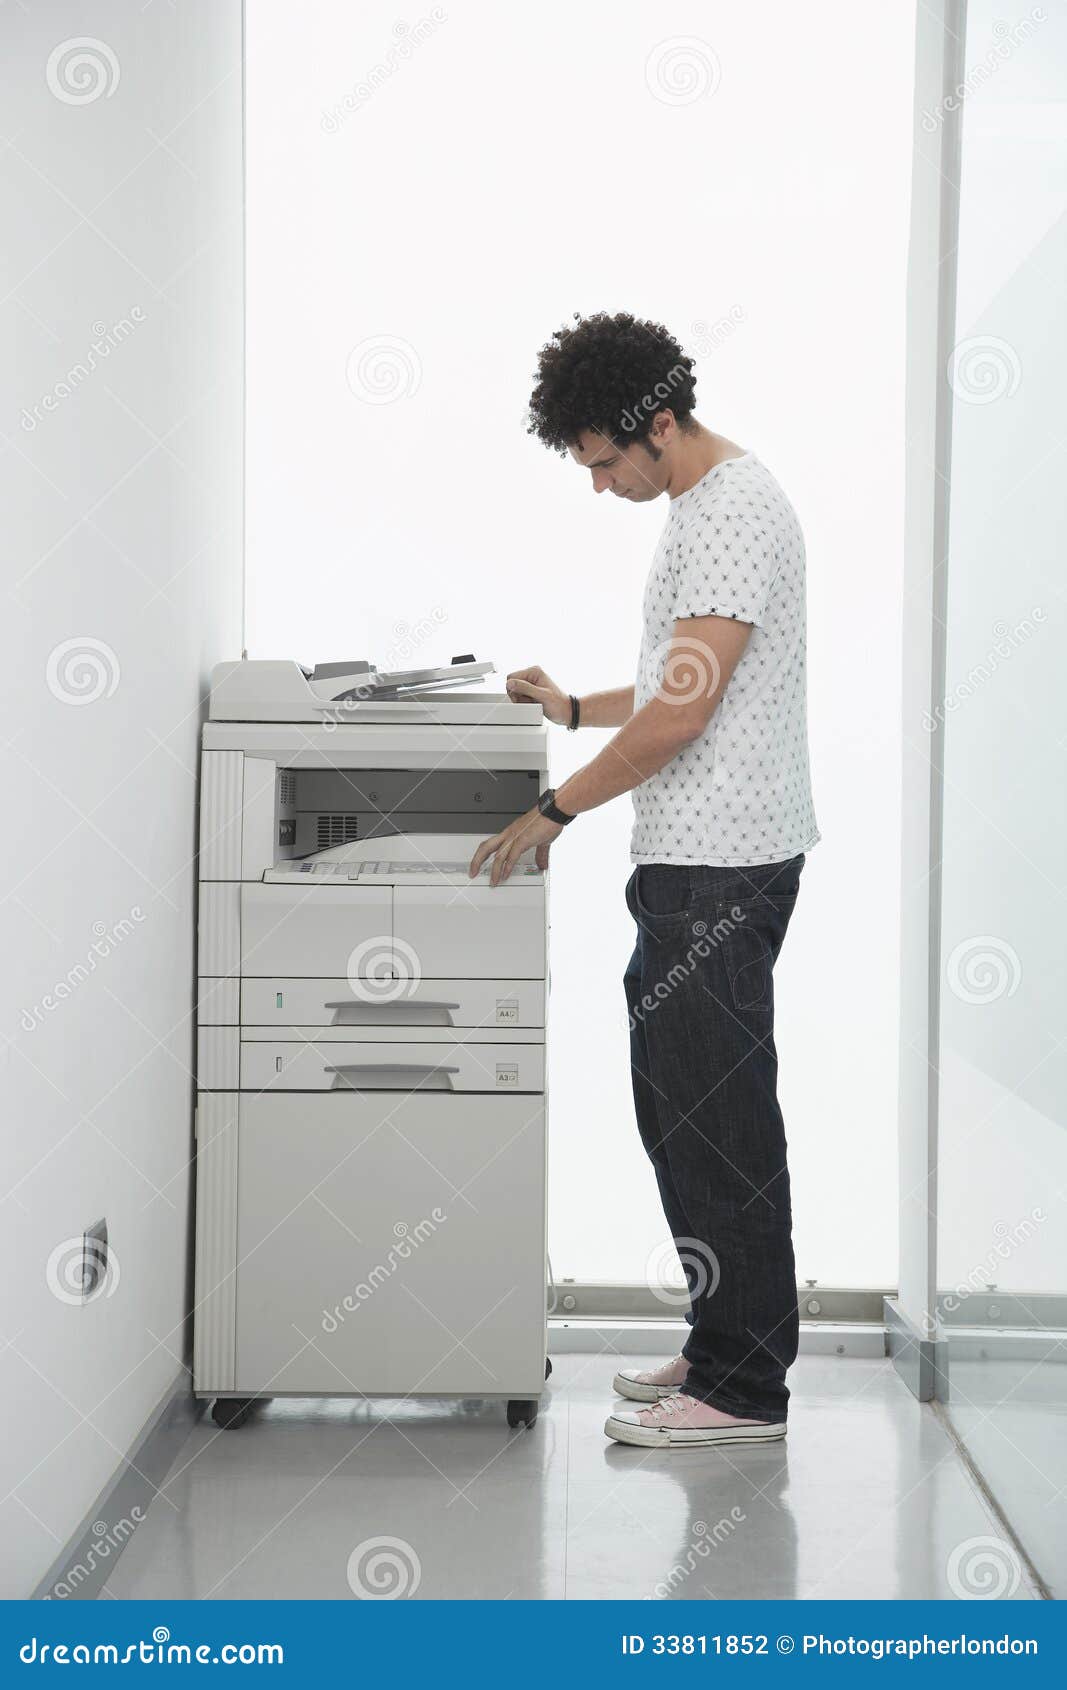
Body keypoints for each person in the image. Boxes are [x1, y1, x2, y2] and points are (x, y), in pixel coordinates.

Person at [470, 312, 819, 1448]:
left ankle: (742, 1391)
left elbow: (682, 711)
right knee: (680, 1117)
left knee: (718, 1127)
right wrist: (572, 708)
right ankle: (725, 1341)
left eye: (602, 461)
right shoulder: (704, 505)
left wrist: (556, 806)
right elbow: (675, 679)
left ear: (656, 424)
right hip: (694, 866)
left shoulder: (728, 514)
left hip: (717, 874)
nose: (597, 484)